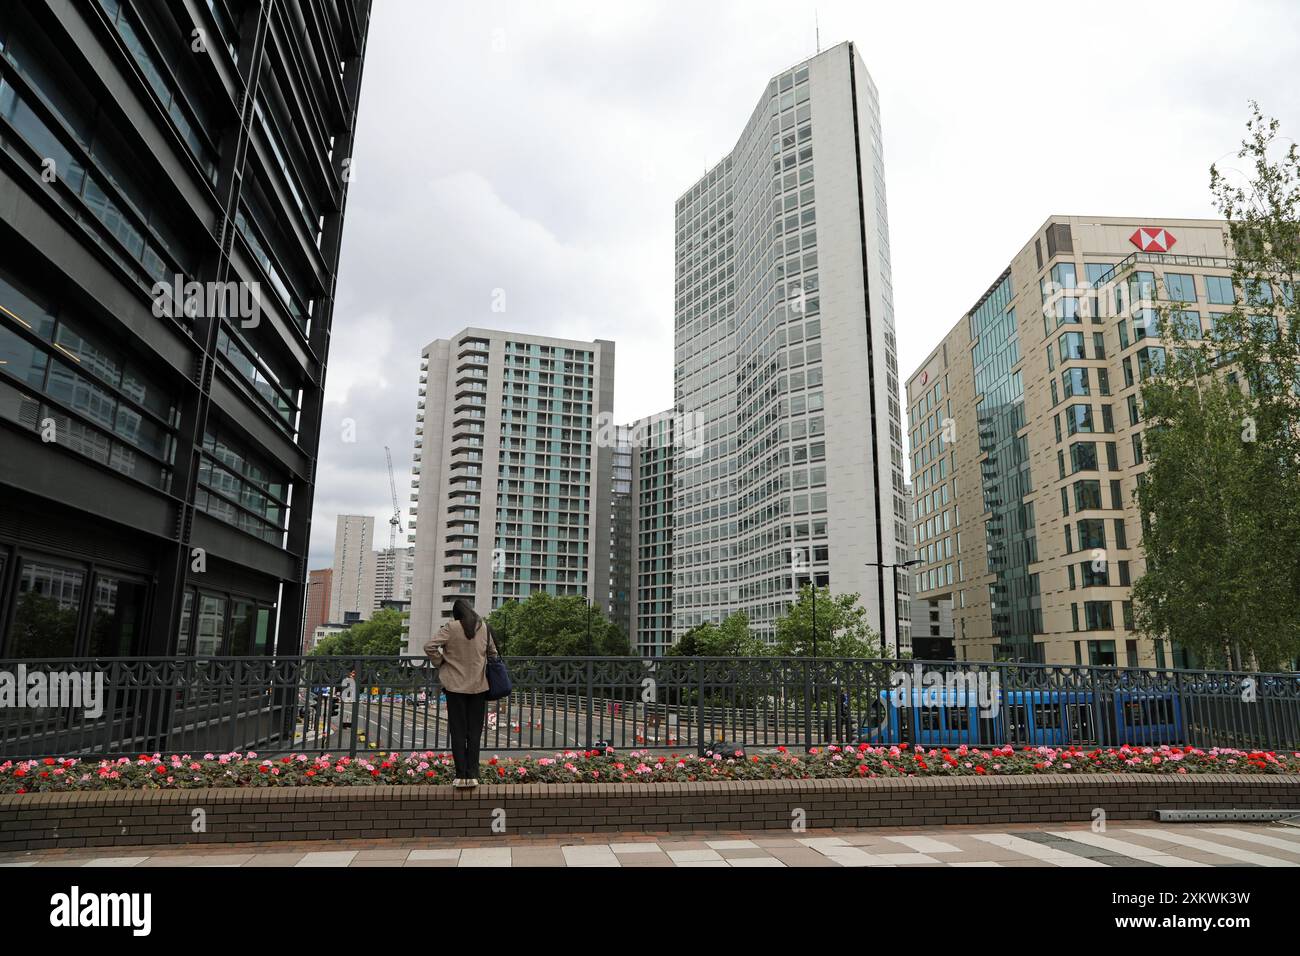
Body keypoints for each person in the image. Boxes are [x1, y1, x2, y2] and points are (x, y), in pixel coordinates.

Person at [424, 598, 497, 788]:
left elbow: (429, 646)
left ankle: (460, 775)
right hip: (479, 686)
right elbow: (493, 654)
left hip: (454, 686)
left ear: (456, 613)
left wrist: (441, 662)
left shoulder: (451, 627)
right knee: (474, 732)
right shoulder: (484, 628)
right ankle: (473, 774)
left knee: (458, 731)